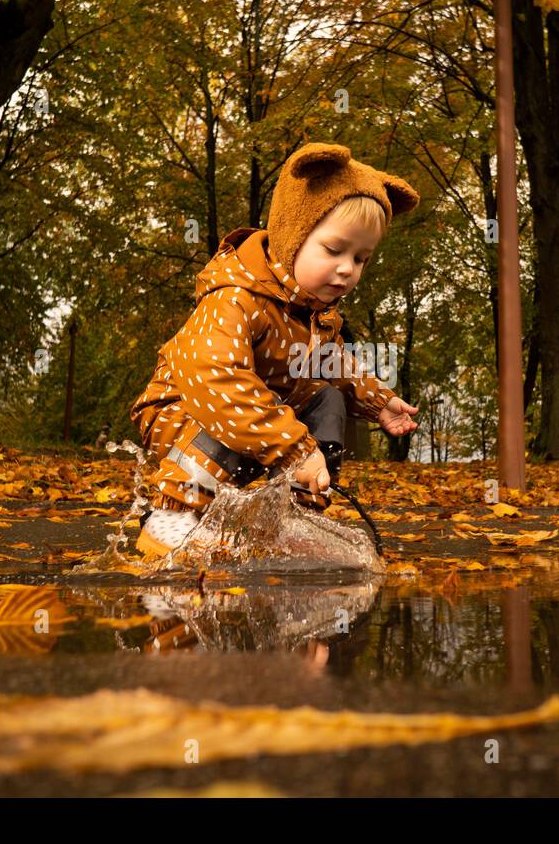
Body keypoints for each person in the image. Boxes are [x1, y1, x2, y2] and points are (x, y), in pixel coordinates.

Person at [129, 141, 421, 557]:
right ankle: (173, 515)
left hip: (266, 420)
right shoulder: (234, 298)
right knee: (234, 403)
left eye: (360, 259)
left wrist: (380, 401)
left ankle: (294, 516)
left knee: (328, 400)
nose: (346, 269)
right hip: (187, 410)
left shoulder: (314, 314)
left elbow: (331, 363)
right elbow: (219, 380)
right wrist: (295, 449)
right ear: (292, 234)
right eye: (334, 250)